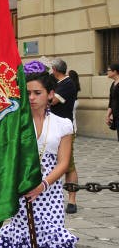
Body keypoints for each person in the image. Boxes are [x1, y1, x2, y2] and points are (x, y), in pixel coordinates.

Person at [0, 64, 88, 248]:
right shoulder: (16, 122)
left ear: (50, 95)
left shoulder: (63, 124)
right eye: (28, 93)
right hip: (23, 191)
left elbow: (64, 161)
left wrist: (43, 184)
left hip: (50, 192)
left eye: (37, 93)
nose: (31, 97)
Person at [49, 58, 79, 213]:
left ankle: (72, 200)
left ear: (55, 69)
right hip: (53, 128)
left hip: (65, 129)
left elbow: (53, 101)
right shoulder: (58, 84)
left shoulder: (67, 84)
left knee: (68, 165)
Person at [107, 63, 119, 141]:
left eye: (108, 70)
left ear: (115, 71)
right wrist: (108, 115)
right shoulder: (113, 84)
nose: (107, 72)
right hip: (116, 115)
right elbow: (111, 101)